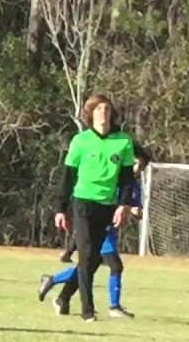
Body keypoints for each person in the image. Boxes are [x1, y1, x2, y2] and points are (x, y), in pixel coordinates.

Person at [50, 94, 136, 322]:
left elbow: (127, 178)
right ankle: (87, 310)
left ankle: (63, 296)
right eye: (98, 108)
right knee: (87, 256)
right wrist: (61, 208)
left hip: (107, 205)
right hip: (83, 202)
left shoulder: (124, 141)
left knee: (94, 259)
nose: (103, 112)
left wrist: (123, 205)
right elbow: (67, 177)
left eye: (106, 108)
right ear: (90, 113)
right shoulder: (80, 141)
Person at [39, 146, 151, 318]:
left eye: (140, 165)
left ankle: (58, 289)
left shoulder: (132, 186)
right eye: (135, 162)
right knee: (115, 266)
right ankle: (114, 307)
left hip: (111, 232)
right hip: (102, 229)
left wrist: (134, 211)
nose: (136, 167)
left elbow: (138, 211)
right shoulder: (112, 178)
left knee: (90, 264)